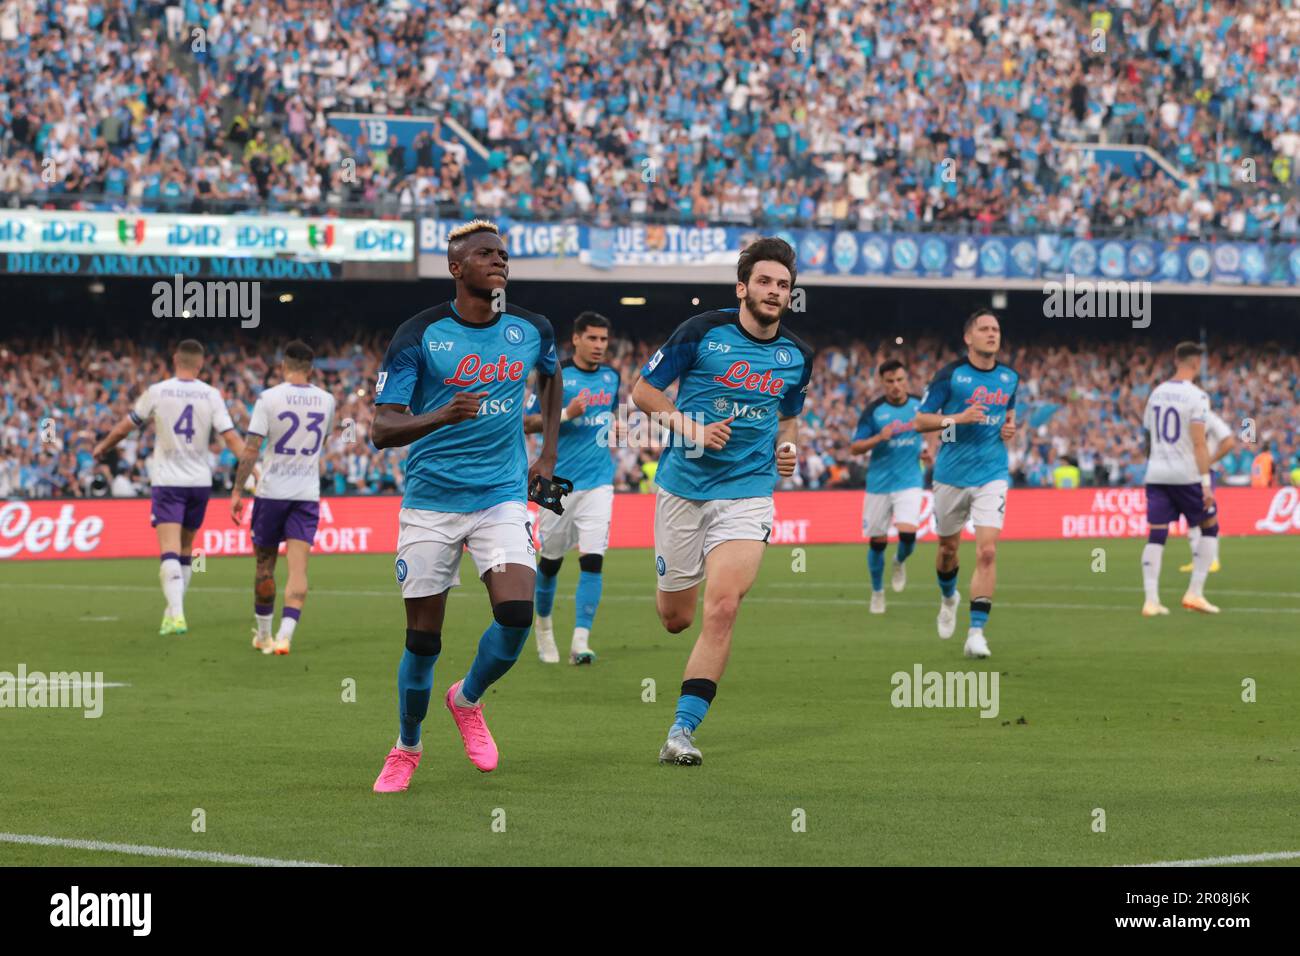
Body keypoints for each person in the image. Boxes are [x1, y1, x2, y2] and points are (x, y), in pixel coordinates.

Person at [369, 219, 562, 793]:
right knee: (423, 642)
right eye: (485, 254)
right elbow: (381, 428)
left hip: (501, 496)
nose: (498, 260)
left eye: (503, 253)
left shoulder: (533, 329)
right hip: (431, 502)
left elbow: (551, 381)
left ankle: (468, 699)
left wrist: (546, 454)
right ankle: (407, 745)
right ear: (457, 268)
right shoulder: (419, 334)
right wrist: (441, 415)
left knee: (515, 616)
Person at [631, 237, 813, 766]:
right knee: (675, 618)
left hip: (748, 493)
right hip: (682, 489)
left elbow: (789, 415)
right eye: (764, 281)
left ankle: (681, 730)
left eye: (783, 284)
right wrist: (689, 427)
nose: (774, 291)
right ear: (742, 287)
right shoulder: (701, 332)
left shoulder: (798, 355)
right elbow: (643, 392)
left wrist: (787, 449)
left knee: (725, 606)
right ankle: (670, 591)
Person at [93, 339, 245, 635]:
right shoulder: (211, 394)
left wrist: (104, 445)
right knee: (187, 549)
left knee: (169, 551)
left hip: (168, 480)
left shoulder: (157, 391)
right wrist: (255, 469)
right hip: (200, 482)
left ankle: (176, 613)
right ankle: (173, 612)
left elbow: (127, 425)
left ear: (175, 359)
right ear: (200, 364)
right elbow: (230, 437)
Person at [913, 309, 1020, 659]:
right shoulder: (951, 376)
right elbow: (920, 421)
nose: (992, 334)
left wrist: (1008, 430)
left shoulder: (1010, 378)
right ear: (968, 337)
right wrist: (957, 419)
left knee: (987, 551)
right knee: (947, 550)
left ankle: (976, 632)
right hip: (950, 474)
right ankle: (948, 597)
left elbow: (1008, 419)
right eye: (985, 329)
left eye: (996, 329)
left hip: (992, 472)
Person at [524, 311, 621, 664]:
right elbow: (528, 423)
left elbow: (607, 418)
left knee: (593, 560)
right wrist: (566, 414)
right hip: (555, 484)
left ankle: (580, 642)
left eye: (603, 339)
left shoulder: (612, 377)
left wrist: (615, 428)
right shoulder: (555, 374)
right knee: (549, 563)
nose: (599, 345)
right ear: (576, 339)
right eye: (592, 338)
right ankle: (544, 628)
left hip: (599, 483)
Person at [231, 341, 336, 656]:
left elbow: (251, 450)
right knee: (299, 570)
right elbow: (324, 441)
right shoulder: (327, 400)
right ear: (311, 369)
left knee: (265, 567)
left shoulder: (269, 398)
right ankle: (285, 636)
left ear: (282, 368)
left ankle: (263, 636)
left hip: (272, 493)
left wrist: (237, 490)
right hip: (306, 494)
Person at [1139, 342, 1221, 616]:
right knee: (1210, 526)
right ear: (1196, 363)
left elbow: (1148, 435)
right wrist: (1206, 483)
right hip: (1186, 475)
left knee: (1157, 534)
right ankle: (1194, 592)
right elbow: (1199, 443)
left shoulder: (1156, 393)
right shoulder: (1197, 397)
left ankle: (1151, 601)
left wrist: (1153, 465)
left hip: (1157, 473)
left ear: (1177, 360)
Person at [849, 359, 932, 614]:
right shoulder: (873, 411)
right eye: (890, 381)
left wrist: (927, 450)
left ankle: (899, 561)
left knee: (908, 534)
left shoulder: (921, 405)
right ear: (882, 383)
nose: (896, 386)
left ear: (906, 380)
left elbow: (935, 427)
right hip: (879, 484)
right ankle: (877, 592)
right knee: (877, 541)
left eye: (900, 380)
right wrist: (878, 438)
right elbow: (855, 448)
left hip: (909, 481)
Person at [1179, 408, 1234, 575]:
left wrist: (1209, 461)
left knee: (1206, 515)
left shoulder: (1211, 419)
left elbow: (1228, 442)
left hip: (1204, 472)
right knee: (1192, 519)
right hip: (1188, 471)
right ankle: (1198, 560)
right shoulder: (1187, 418)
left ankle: (1213, 560)